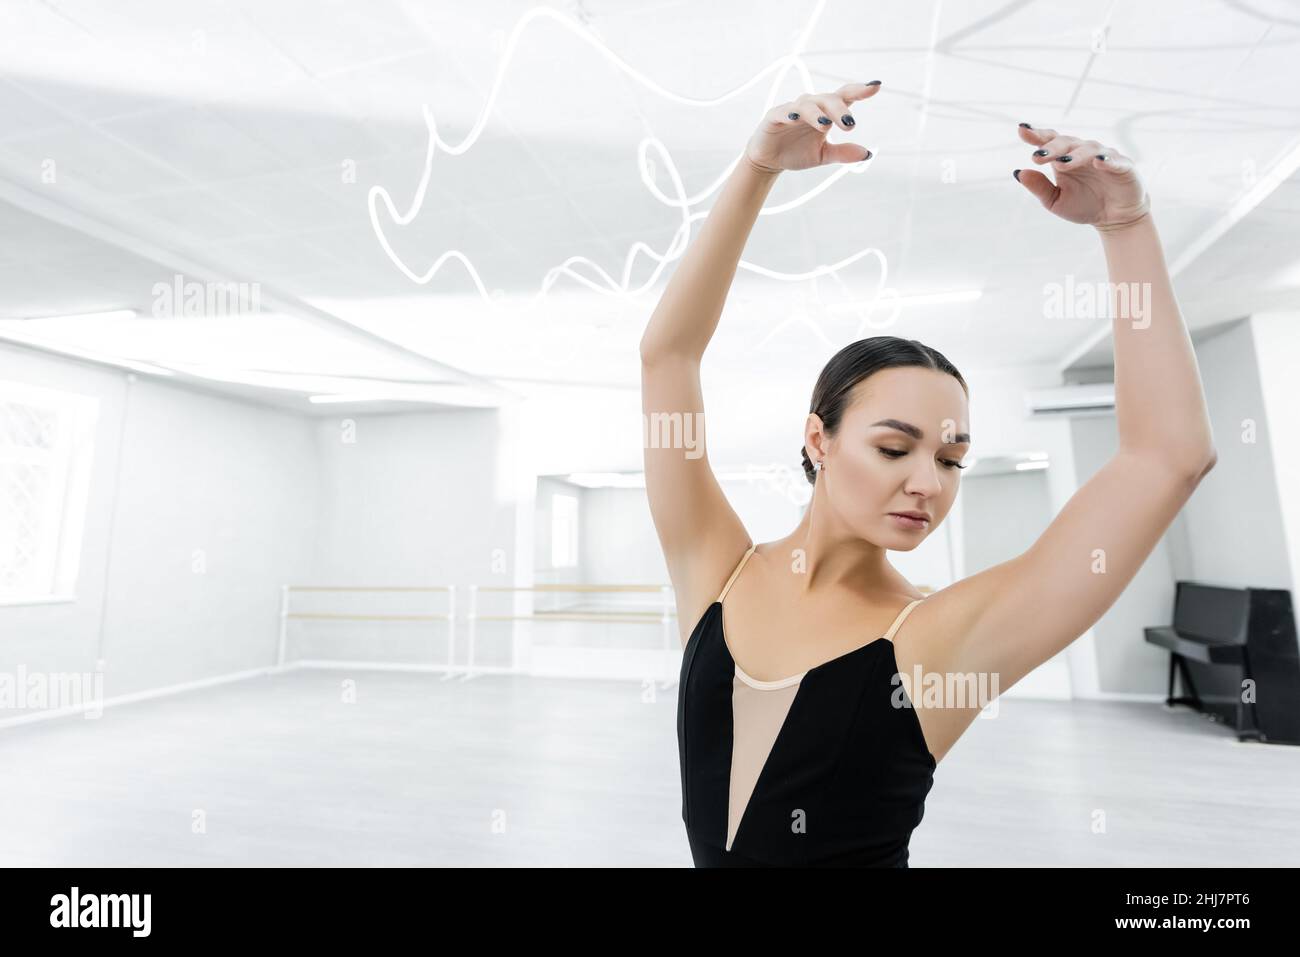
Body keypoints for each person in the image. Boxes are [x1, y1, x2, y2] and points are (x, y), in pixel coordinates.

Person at [638, 81, 1217, 867]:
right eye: (894, 446)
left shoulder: (936, 642)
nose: (928, 483)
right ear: (819, 438)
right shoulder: (715, 570)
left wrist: (1128, 225)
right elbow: (666, 355)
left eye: (951, 459)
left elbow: (1167, 458)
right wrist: (756, 169)